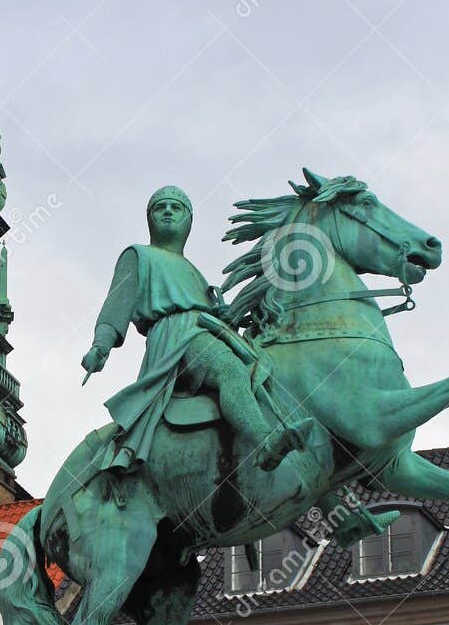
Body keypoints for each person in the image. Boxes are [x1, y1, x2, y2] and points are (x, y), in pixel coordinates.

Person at [81, 186, 309, 474]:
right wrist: (100, 346)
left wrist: (227, 317)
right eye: (160, 207)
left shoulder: (194, 271)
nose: (167, 212)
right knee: (230, 370)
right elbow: (116, 304)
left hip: (209, 331)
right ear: (149, 219)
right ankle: (265, 444)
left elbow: (208, 311)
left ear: (188, 221)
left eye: (175, 208)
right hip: (177, 335)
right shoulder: (138, 255)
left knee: (266, 373)